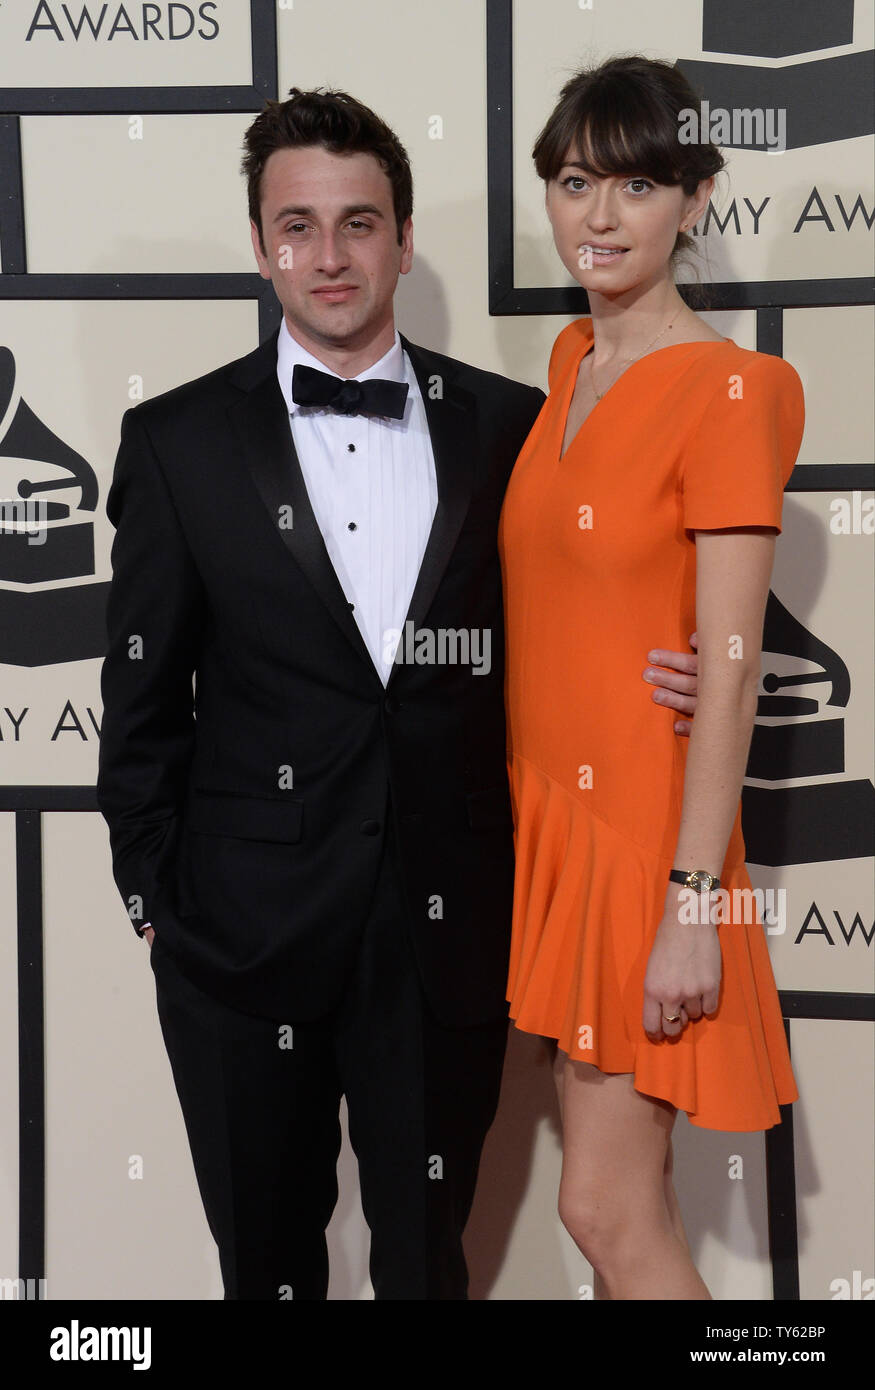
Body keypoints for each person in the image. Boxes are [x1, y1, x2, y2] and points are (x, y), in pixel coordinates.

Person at [96, 86, 698, 1301]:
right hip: (237, 933)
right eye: (299, 227)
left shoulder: (513, 427)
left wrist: (667, 668)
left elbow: (577, 617)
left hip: (444, 923)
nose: (329, 256)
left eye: (358, 223)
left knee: (428, 1266)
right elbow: (141, 703)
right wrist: (158, 904)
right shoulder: (176, 441)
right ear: (261, 244)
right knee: (261, 1266)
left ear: (403, 239)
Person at [498, 56, 803, 1300]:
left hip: (642, 837)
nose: (600, 216)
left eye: (636, 183)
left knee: (603, 1207)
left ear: (695, 195)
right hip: (541, 819)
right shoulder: (569, 363)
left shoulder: (734, 390)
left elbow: (726, 668)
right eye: (575, 182)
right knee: (585, 1198)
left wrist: (691, 902)